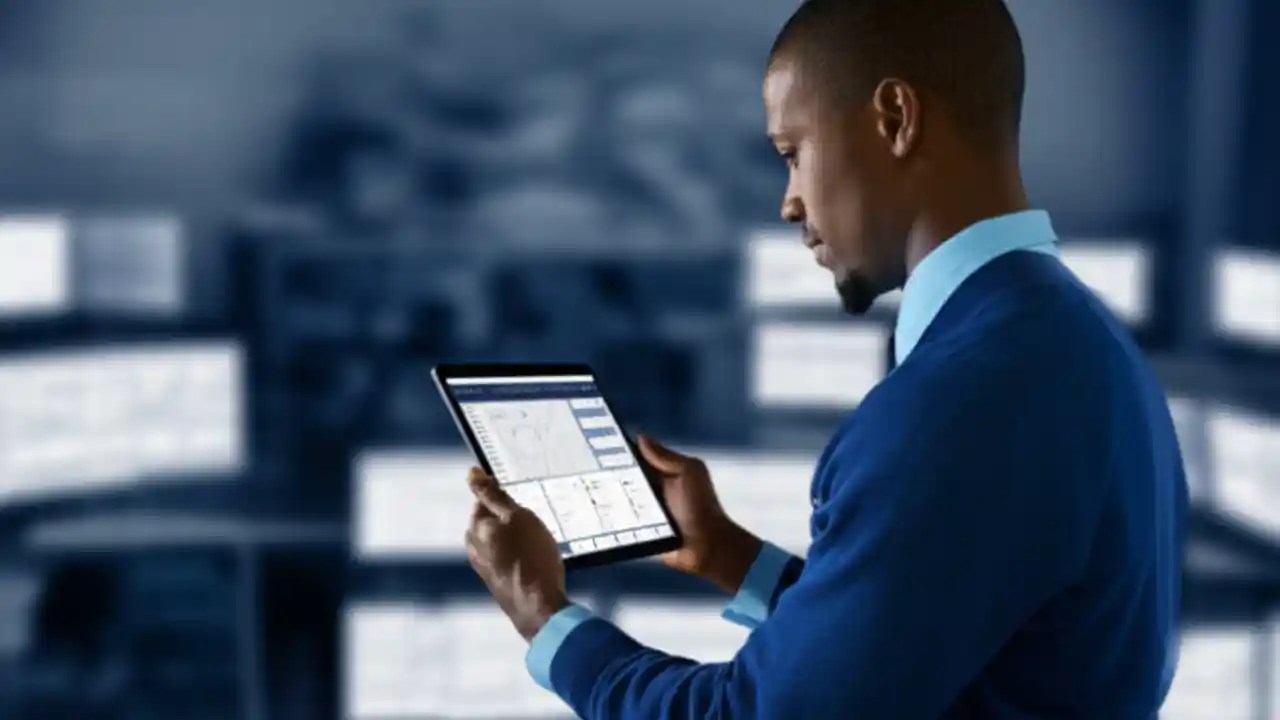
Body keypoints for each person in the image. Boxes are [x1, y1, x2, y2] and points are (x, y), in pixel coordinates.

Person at [461, 0, 1187, 717]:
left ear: (895, 119)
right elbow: (939, 650)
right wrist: (728, 556)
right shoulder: (1089, 345)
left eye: (792, 154)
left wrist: (544, 614)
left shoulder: (951, 406)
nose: (789, 202)